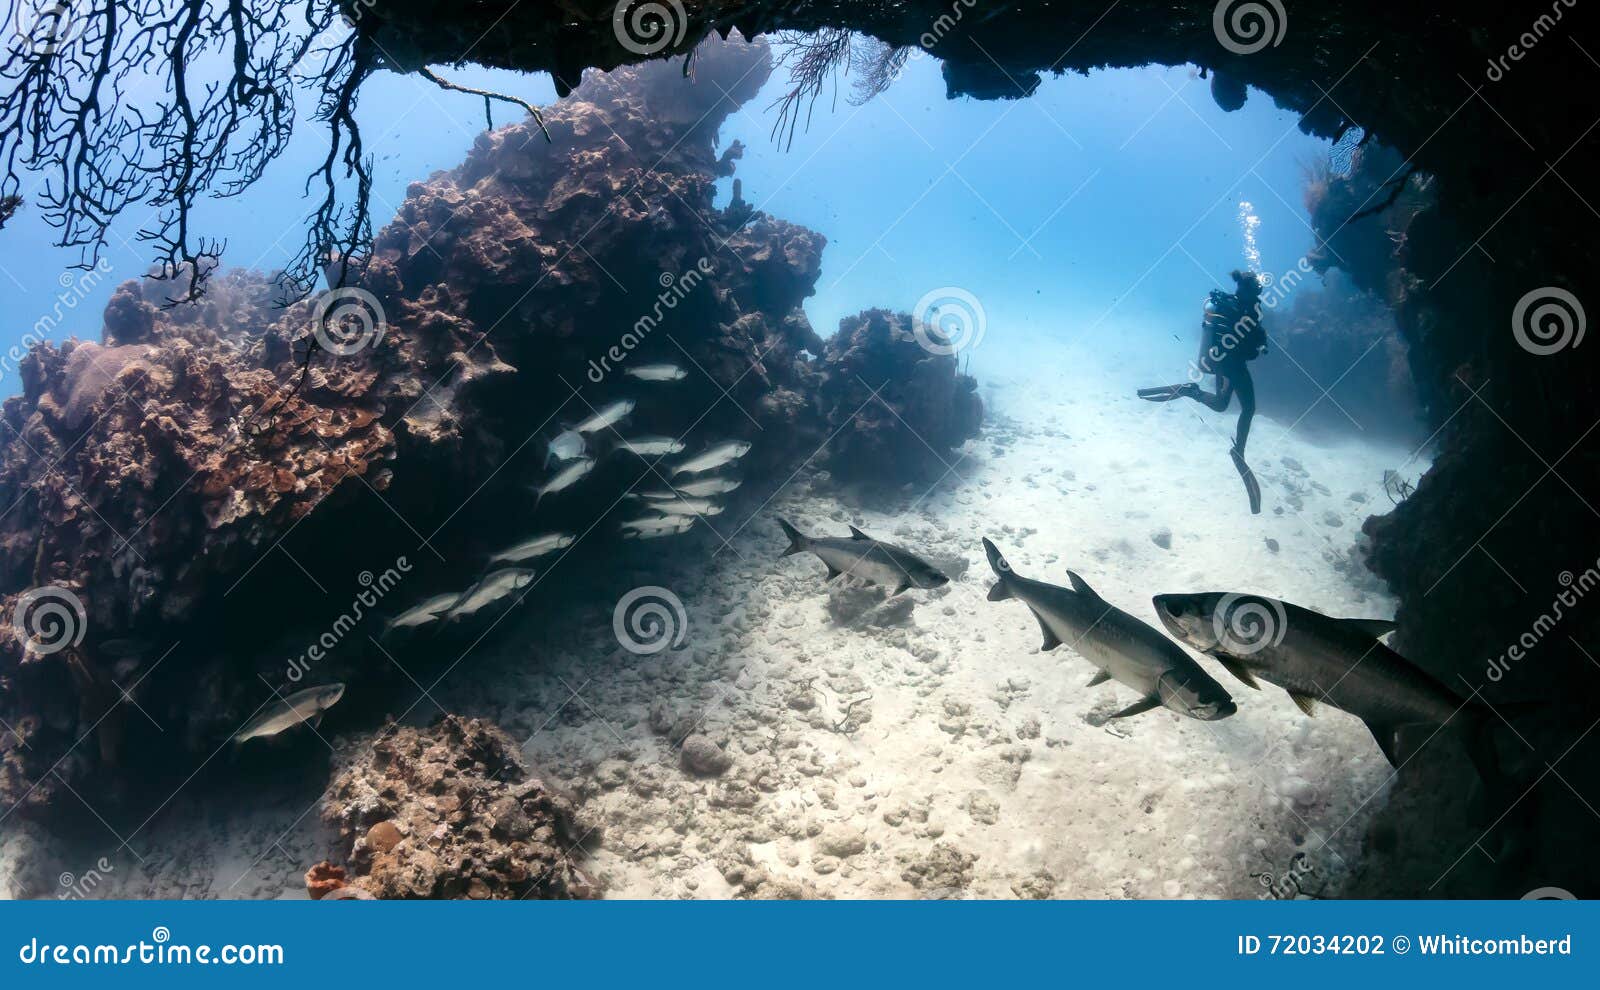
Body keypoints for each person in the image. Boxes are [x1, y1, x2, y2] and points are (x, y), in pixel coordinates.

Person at [1138, 270, 1268, 513]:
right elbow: (1250, 348)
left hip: (1218, 362)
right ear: (1251, 290)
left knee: (1220, 405)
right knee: (1248, 408)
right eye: (1258, 289)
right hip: (1234, 366)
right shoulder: (1248, 310)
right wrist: (1261, 341)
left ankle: (1191, 391)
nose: (1260, 293)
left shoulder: (1225, 305)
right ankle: (1239, 451)